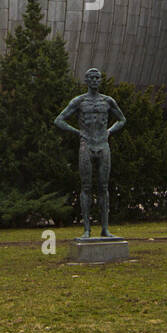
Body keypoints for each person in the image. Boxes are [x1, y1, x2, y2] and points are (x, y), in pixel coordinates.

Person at [53, 67, 126, 239]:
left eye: (97, 77)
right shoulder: (79, 101)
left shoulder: (108, 101)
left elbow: (122, 119)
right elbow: (59, 120)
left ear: (100, 80)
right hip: (86, 144)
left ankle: (105, 229)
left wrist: (110, 131)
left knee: (103, 187)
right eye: (91, 78)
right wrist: (77, 132)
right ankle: (86, 229)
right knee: (86, 187)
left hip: (103, 144)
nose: (94, 80)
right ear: (86, 80)